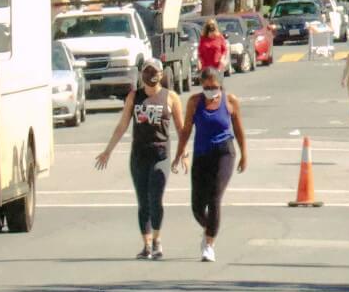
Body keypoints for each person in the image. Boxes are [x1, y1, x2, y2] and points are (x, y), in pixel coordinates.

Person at [95, 58, 185, 260]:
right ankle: (146, 245)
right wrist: (107, 151)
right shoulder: (134, 97)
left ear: (161, 74)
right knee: (143, 201)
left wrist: (183, 154)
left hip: (160, 154)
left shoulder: (170, 97)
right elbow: (122, 125)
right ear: (142, 74)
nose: (151, 75)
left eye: (154, 71)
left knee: (156, 198)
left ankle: (157, 240)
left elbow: (181, 129)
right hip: (139, 155)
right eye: (147, 71)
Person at [173, 67, 248, 262]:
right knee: (197, 206)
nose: (210, 90)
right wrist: (179, 154)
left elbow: (239, 129)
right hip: (202, 154)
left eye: (214, 87)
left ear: (220, 85)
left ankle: (209, 244)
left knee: (215, 198)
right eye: (206, 87)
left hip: (224, 152)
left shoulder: (230, 101)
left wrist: (244, 154)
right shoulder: (195, 102)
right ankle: (209, 227)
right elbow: (186, 130)